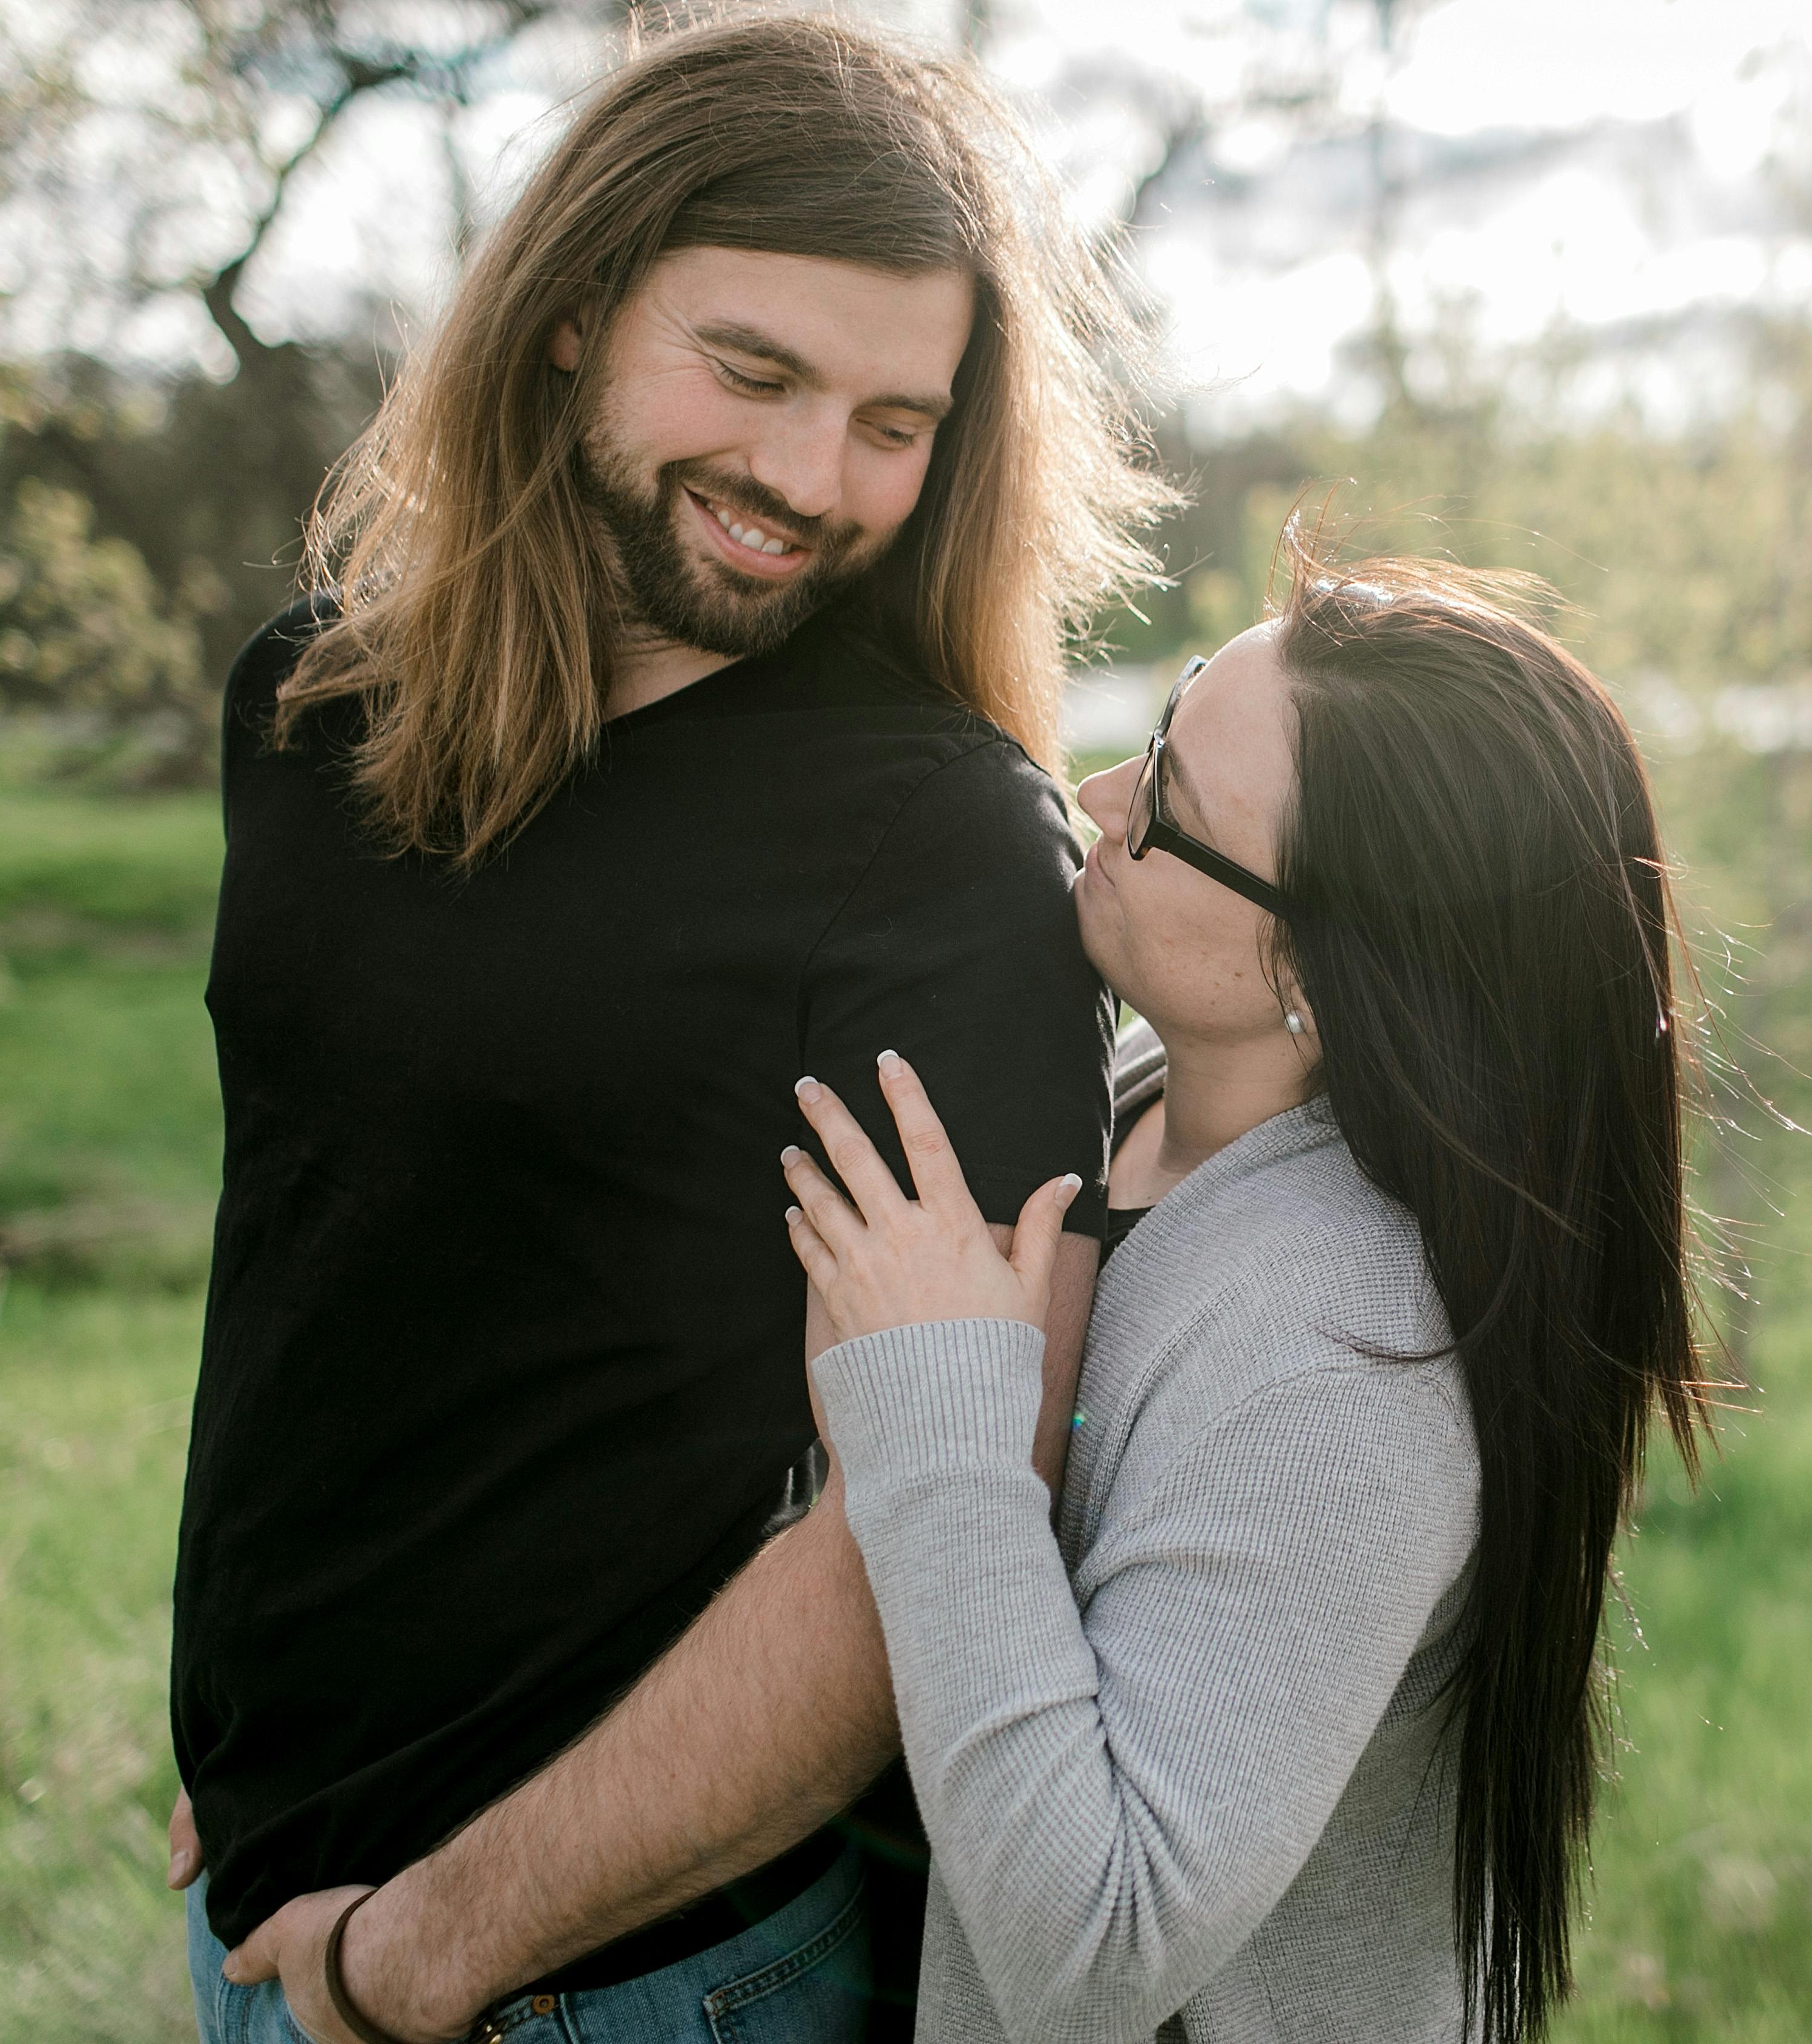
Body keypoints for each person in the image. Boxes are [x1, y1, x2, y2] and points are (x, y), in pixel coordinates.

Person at [172, 14, 1170, 2042]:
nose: (811, 480)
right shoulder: (311, 706)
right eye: (754, 371)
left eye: (895, 422)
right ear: (567, 311)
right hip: (272, 1900)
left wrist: (427, 1954)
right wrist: (251, 1731)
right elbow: (318, 1254)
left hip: (604, 1979)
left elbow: (929, 1536)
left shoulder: (939, 861)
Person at [777, 548, 1712, 2043]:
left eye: (1166, 812)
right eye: (1155, 740)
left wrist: (940, 1411)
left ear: (1325, 976)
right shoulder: (1143, 1094)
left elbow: (1094, 1951)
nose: (1095, 800)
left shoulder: (1345, 1363)